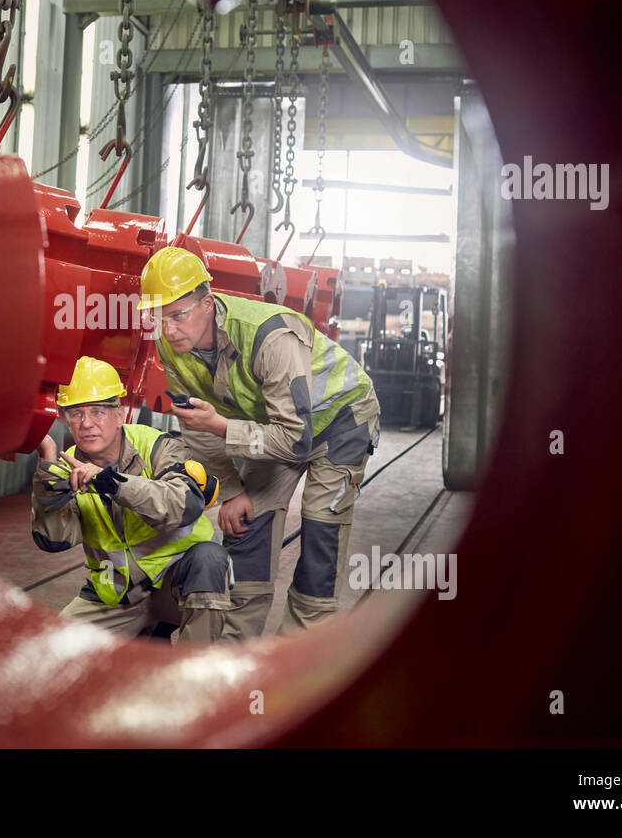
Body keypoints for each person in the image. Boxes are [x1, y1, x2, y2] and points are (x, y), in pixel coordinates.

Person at [139, 246, 381, 638]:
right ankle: (235, 653)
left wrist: (222, 426)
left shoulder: (270, 337)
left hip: (340, 420)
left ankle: (299, 652)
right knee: (246, 526)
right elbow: (197, 428)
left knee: (321, 534)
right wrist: (231, 490)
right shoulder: (172, 346)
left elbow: (294, 441)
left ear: (207, 303)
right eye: (159, 318)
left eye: (178, 315)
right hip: (272, 425)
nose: (168, 330)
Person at [30, 355, 232, 643]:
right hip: (116, 594)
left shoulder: (158, 446)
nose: (87, 423)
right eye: (76, 413)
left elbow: (183, 505)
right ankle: (146, 636)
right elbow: (54, 540)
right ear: (65, 418)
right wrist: (47, 465)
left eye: (98, 411)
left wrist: (112, 484)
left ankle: (191, 679)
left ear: (119, 412)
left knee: (211, 559)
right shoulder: (65, 465)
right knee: (52, 652)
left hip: (175, 588)